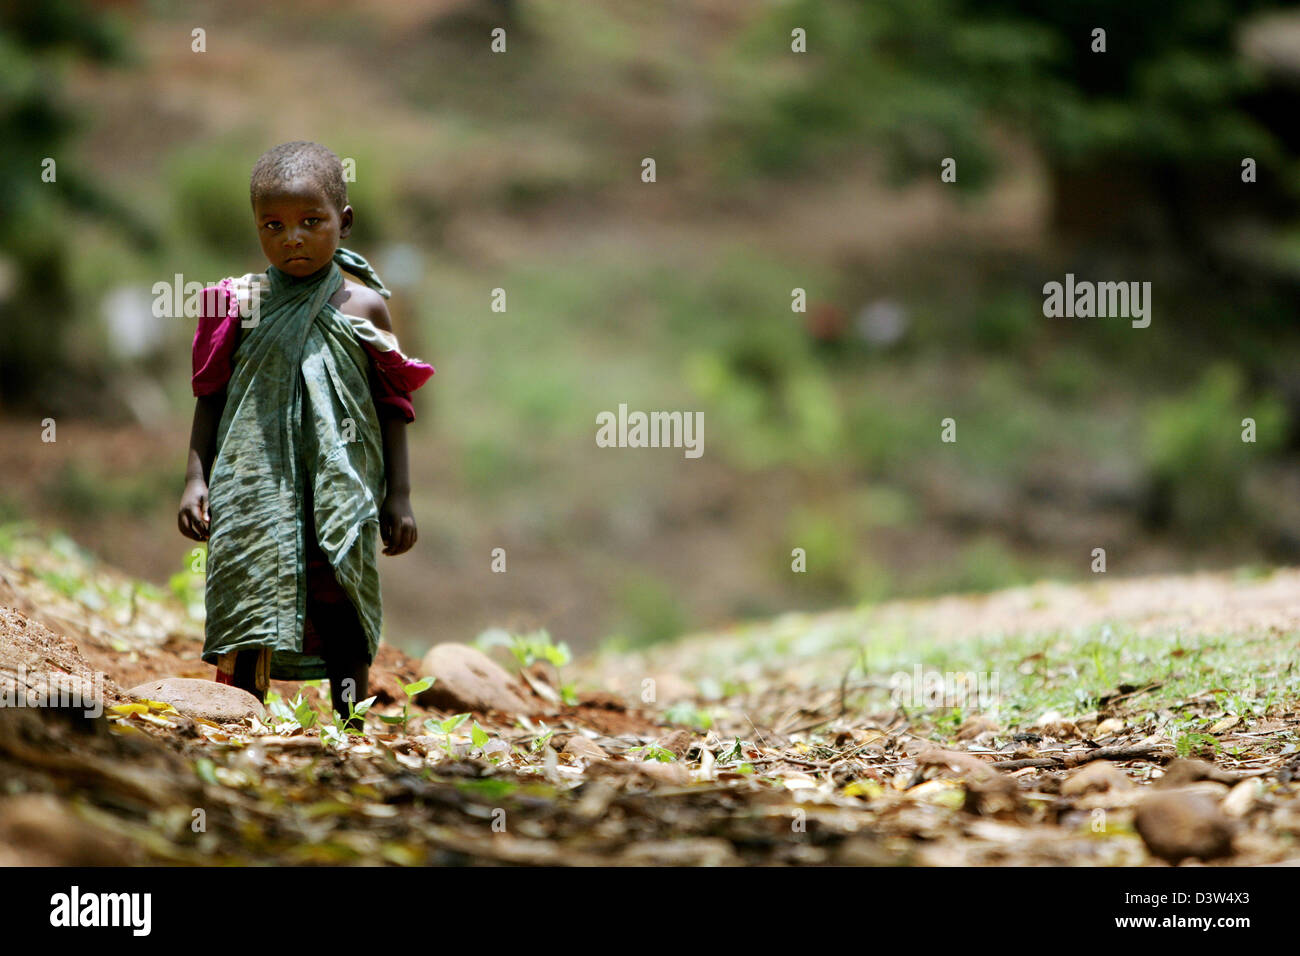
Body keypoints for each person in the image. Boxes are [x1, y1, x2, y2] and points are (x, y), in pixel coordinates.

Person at [177, 141, 434, 724]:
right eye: (274, 225)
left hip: (339, 490)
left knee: (340, 592)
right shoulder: (238, 305)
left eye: (311, 222)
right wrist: (196, 479)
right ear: (256, 227)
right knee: (250, 586)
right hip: (252, 488)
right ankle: (239, 715)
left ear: (344, 222)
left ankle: (350, 719)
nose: (292, 238)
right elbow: (209, 394)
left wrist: (400, 495)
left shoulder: (365, 308)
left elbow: (394, 406)